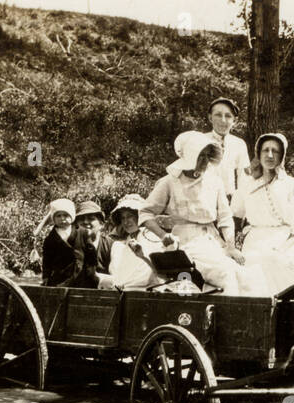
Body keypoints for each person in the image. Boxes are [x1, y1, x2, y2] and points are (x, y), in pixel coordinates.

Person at [139, 131, 250, 295]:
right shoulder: (170, 182)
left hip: (213, 240)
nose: (205, 161)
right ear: (190, 156)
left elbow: (225, 217)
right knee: (225, 274)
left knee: (244, 275)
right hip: (186, 242)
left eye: (207, 156)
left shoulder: (215, 181)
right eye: (200, 156)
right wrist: (163, 235)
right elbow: (145, 213)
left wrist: (231, 247)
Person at [233, 133, 294, 294]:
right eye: (265, 150)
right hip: (255, 239)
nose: (270, 155)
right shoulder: (247, 185)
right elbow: (235, 216)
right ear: (258, 154)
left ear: (282, 156)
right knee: (253, 264)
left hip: (286, 239)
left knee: (277, 261)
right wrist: (233, 247)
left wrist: (282, 249)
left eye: (275, 151)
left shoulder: (289, 184)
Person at [107, 193, 162, 289]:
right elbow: (117, 271)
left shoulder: (152, 237)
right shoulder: (122, 244)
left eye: (130, 216)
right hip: (125, 290)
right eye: (123, 218)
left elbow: (146, 273)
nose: (126, 222)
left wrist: (124, 284)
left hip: (147, 290)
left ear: (139, 216)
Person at [38, 198, 92, 287]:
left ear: (72, 216)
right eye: (58, 216)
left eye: (66, 215)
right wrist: (46, 276)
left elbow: (91, 252)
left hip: (80, 275)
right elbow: (47, 260)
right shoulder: (50, 239)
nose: (62, 219)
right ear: (53, 219)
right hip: (59, 276)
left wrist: (91, 268)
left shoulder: (82, 233)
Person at [207, 97, 251, 204]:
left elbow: (244, 178)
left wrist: (240, 205)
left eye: (228, 116)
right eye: (218, 115)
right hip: (204, 199)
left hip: (229, 201)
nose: (223, 120)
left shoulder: (239, 144)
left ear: (234, 121)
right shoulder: (200, 140)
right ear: (210, 118)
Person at [74, 200, 118, 289]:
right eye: (81, 219)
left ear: (101, 224)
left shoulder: (113, 246)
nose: (85, 222)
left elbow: (119, 280)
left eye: (91, 218)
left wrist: (96, 277)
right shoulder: (69, 246)